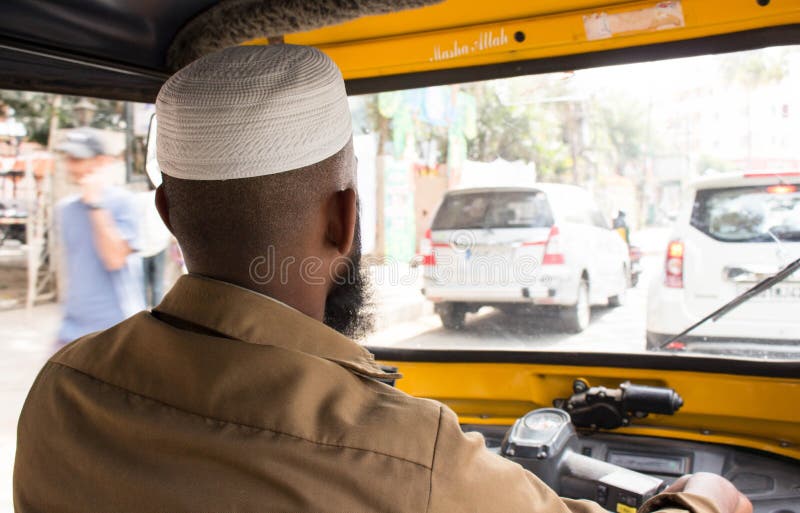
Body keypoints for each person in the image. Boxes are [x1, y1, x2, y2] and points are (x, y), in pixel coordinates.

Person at [14, 45, 751, 513]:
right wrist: (704, 502)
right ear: (344, 218)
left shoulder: (61, 393)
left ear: (169, 215)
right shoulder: (404, 458)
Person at [52, 129, 145, 344]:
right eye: (69, 159)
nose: (71, 166)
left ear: (102, 161)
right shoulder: (65, 209)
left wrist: (95, 203)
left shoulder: (124, 203)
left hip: (116, 329)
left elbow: (114, 259)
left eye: (78, 159)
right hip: (71, 330)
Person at [136, 185, 172, 308]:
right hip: (158, 246)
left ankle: (145, 314)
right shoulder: (159, 198)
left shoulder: (137, 199)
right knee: (157, 285)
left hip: (142, 249)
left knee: (144, 285)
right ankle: (157, 314)